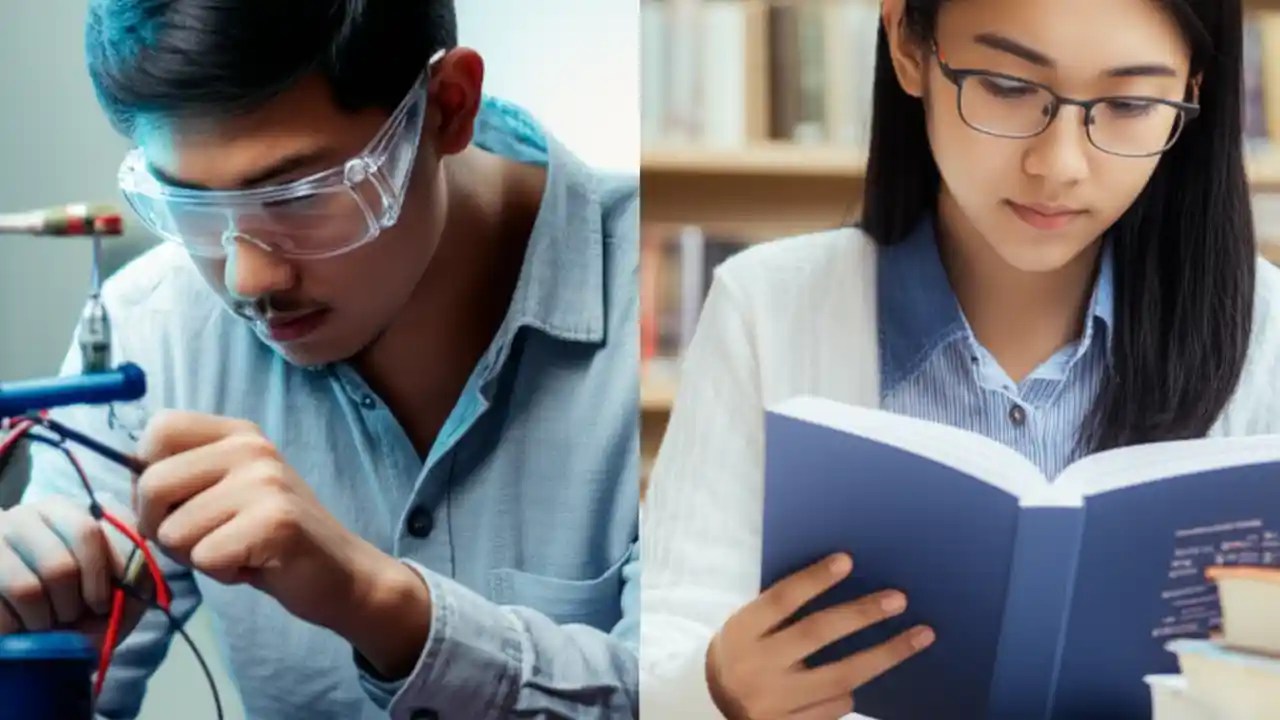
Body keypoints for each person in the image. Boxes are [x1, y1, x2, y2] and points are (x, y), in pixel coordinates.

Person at [0, 1, 640, 718]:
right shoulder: (153, 331)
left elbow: (718, 694)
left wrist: (375, 602)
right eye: (192, 205)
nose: (248, 281)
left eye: (299, 198)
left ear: (448, 108)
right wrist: (35, 674)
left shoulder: (679, 307)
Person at [640, 0, 1280, 717]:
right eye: (1007, 88)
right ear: (908, 43)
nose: (1058, 165)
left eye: (1130, 103)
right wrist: (719, 686)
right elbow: (665, 644)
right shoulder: (766, 307)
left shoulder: (1266, 332)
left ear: (1193, 90)